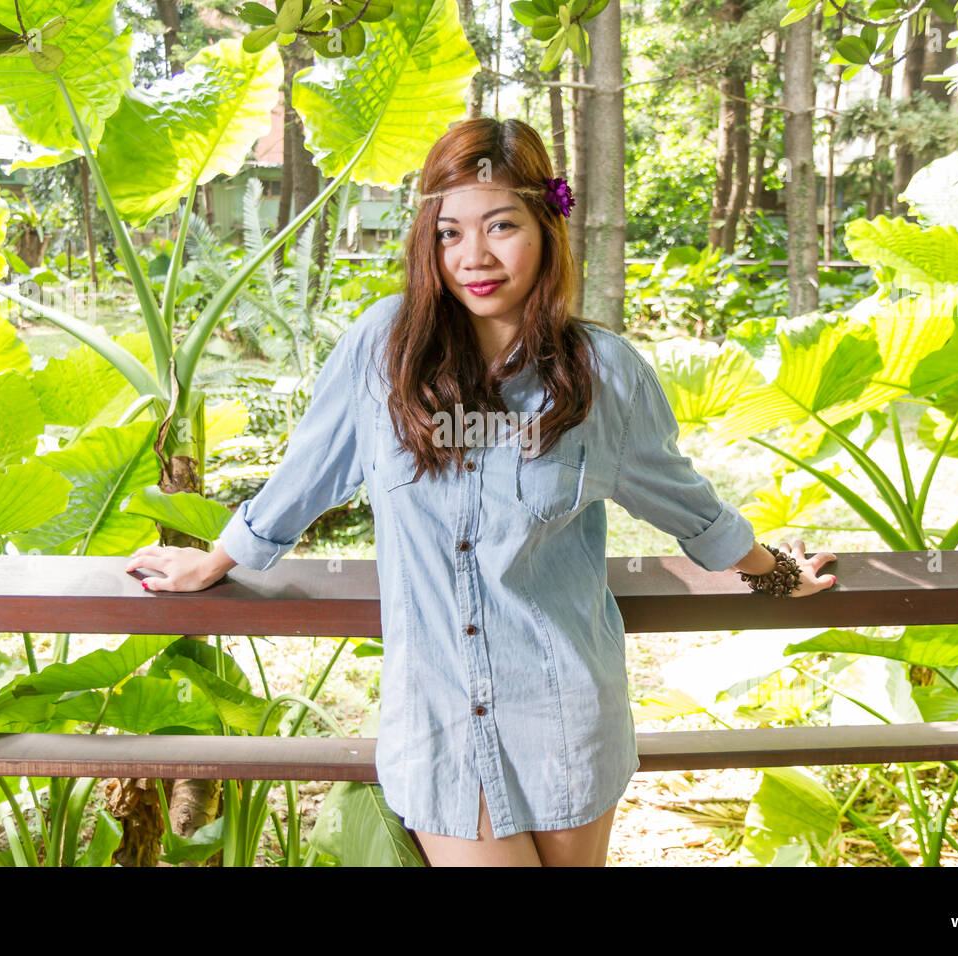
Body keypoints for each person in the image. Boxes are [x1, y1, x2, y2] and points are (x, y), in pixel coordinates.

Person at [124, 117, 838, 867]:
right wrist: (217, 559)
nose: (474, 257)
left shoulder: (605, 374)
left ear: (547, 227)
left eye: (501, 225)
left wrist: (774, 573)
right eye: (449, 232)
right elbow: (310, 470)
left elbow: (685, 501)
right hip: (438, 723)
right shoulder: (383, 350)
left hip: (566, 713)